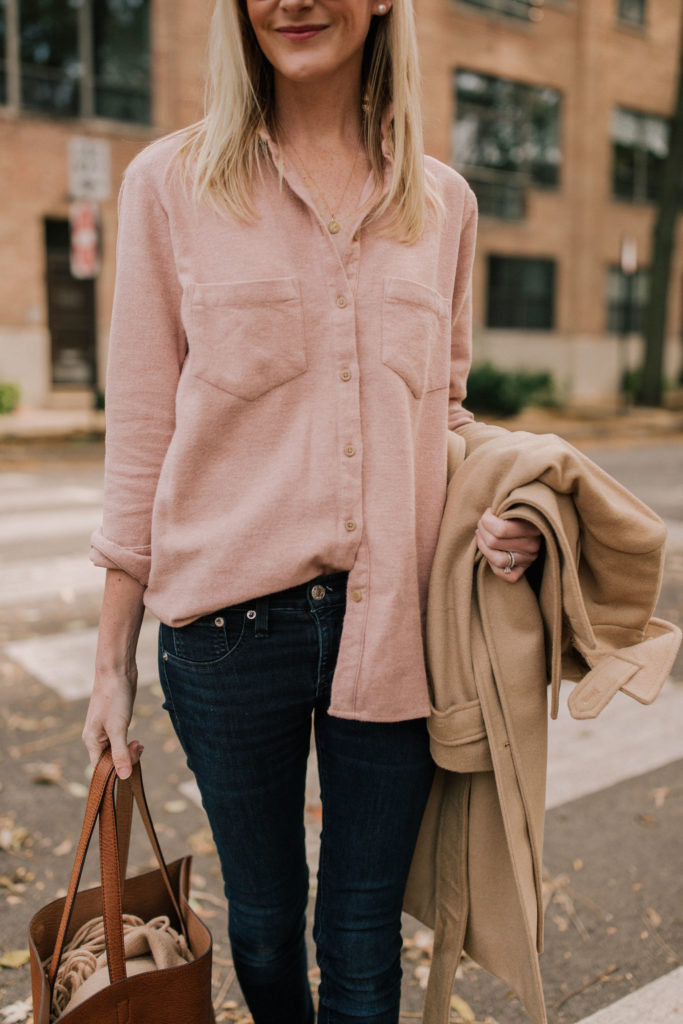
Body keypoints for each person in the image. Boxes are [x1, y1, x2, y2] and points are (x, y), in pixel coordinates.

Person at [82, 0, 541, 1021]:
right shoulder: (168, 185)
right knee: (260, 920)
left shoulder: (442, 202)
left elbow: (443, 414)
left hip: (394, 622)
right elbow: (141, 437)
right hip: (225, 638)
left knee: (363, 934)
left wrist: (493, 515)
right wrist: (108, 664)